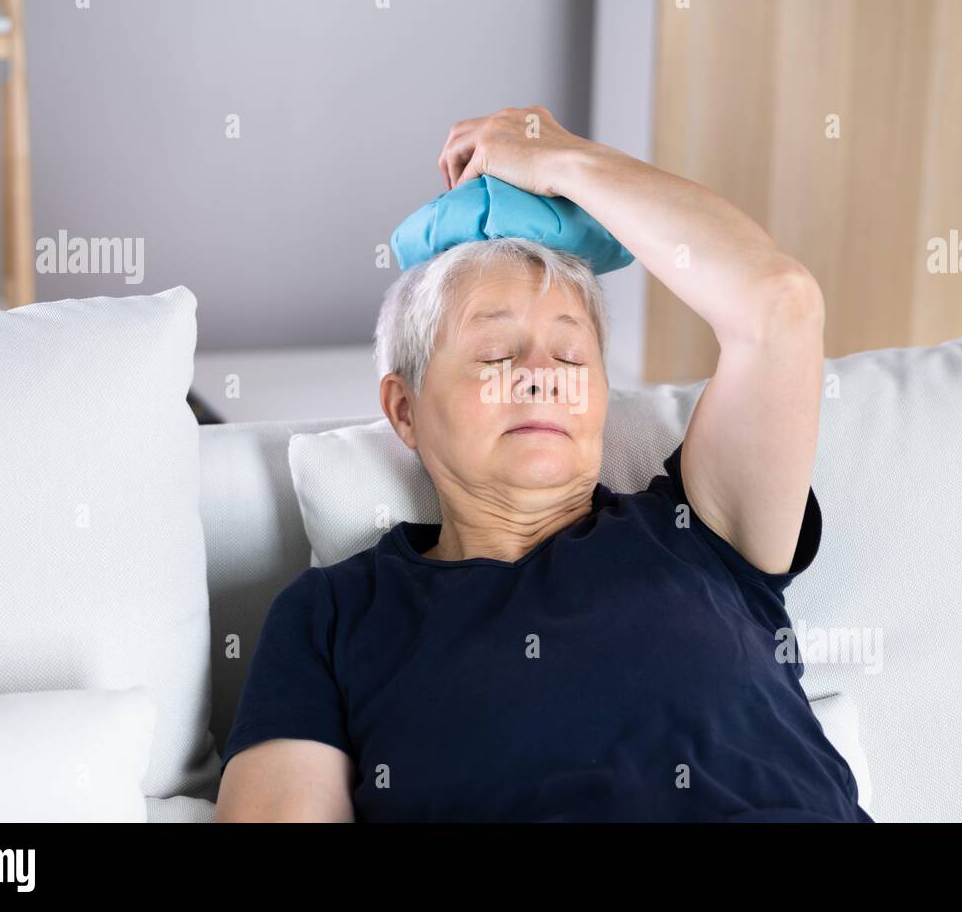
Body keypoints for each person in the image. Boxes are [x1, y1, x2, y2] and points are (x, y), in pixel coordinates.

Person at [215, 105, 871, 822]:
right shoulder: (333, 618)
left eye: (570, 355)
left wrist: (559, 159)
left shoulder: (700, 530)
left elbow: (780, 305)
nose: (541, 375)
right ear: (404, 409)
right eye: (496, 355)